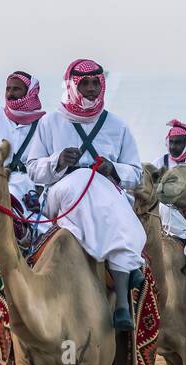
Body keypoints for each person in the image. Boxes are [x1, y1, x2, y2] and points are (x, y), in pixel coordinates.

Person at [25, 58, 148, 331]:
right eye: (85, 83)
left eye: (96, 83)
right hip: (63, 196)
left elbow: (136, 174)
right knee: (82, 178)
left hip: (107, 195)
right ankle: (124, 270)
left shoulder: (117, 125)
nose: (91, 89)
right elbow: (33, 170)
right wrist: (58, 161)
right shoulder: (50, 122)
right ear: (72, 85)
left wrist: (111, 168)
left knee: (94, 184)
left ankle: (123, 306)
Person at [0, 70, 48, 243]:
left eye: (17, 89)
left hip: (26, 183)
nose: (11, 94)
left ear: (30, 93)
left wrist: (40, 192)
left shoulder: (45, 124)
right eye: (8, 89)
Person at [157, 120, 186, 242]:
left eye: (178, 143)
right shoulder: (161, 162)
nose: (173, 147)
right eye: (171, 142)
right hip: (164, 220)